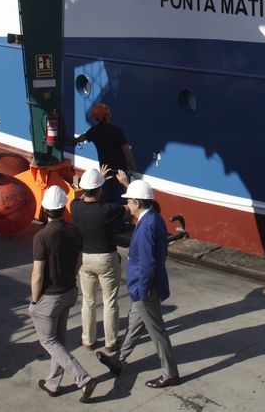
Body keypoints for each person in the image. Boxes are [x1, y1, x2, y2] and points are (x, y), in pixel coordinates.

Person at [97, 179, 180, 389]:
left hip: (144, 289)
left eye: (128, 201)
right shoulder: (155, 219)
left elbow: (147, 263)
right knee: (134, 326)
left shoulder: (145, 227)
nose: (127, 205)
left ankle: (170, 374)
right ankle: (118, 360)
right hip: (145, 288)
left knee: (157, 333)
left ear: (136, 202)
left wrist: (141, 291)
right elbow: (160, 253)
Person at [29, 186, 97, 401]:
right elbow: (79, 260)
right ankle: (52, 383)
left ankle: (83, 379)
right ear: (63, 208)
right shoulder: (75, 231)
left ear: (44, 208)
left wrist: (34, 301)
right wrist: (70, 278)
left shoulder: (42, 236)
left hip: (49, 297)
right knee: (59, 340)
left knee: (48, 341)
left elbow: (38, 274)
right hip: (69, 291)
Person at [71, 165, 130, 354]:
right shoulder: (108, 209)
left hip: (84, 258)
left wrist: (98, 180)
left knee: (88, 301)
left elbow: (82, 196)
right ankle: (111, 342)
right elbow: (132, 208)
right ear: (100, 189)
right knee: (109, 301)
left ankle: (88, 340)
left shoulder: (75, 207)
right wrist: (126, 185)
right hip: (105, 258)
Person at [72, 103, 136, 204]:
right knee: (119, 201)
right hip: (120, 173)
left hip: (105, 173)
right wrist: (133, 166)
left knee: (105, 199)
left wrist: (73, 141)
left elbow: (82, 137)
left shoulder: (94, 131)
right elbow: (126, 150)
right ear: (105, 116)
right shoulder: (116, 130)